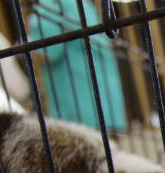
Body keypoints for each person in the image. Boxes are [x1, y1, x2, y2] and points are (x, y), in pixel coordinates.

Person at [27, 0, 128, 132]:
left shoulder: (51, 4)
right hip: (105, 97)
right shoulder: (83, 4)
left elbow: (47, 54)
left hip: (78, 105)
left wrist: (27, 43)